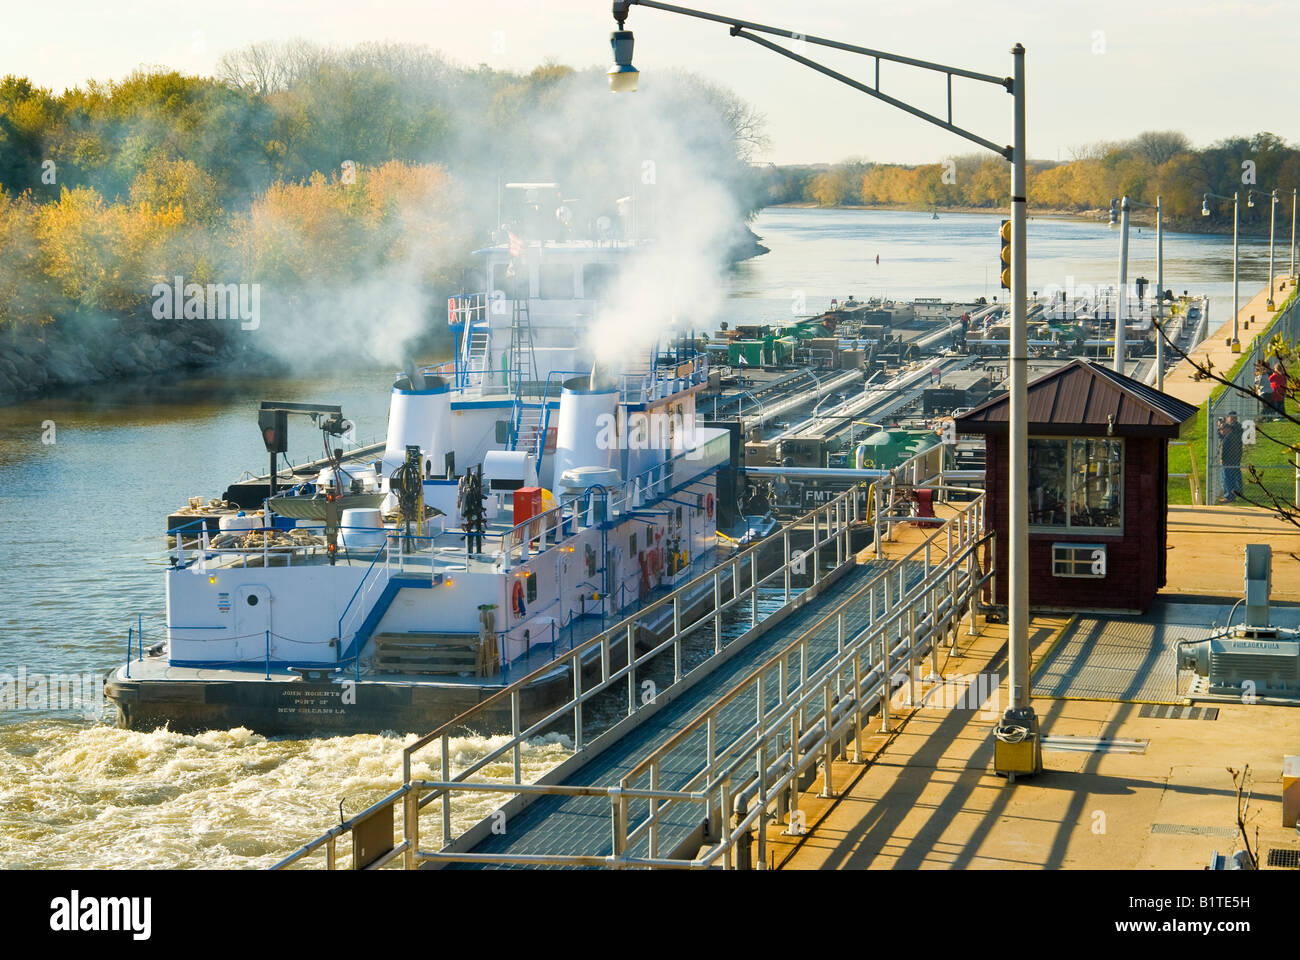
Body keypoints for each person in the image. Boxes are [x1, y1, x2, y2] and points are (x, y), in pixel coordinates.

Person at [1217, 413, 1243, 503]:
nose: (1220, 431)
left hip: (1228, 461)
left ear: (1227, 429)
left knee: (1226, 478)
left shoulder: (1228, 438)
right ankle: (1234, 493)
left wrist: (1222, 459)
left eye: (1221, 429)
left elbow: (1224, 450)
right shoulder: (1233, 436)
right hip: (1234, 459)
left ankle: (1229, 496)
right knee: (1232, 476)